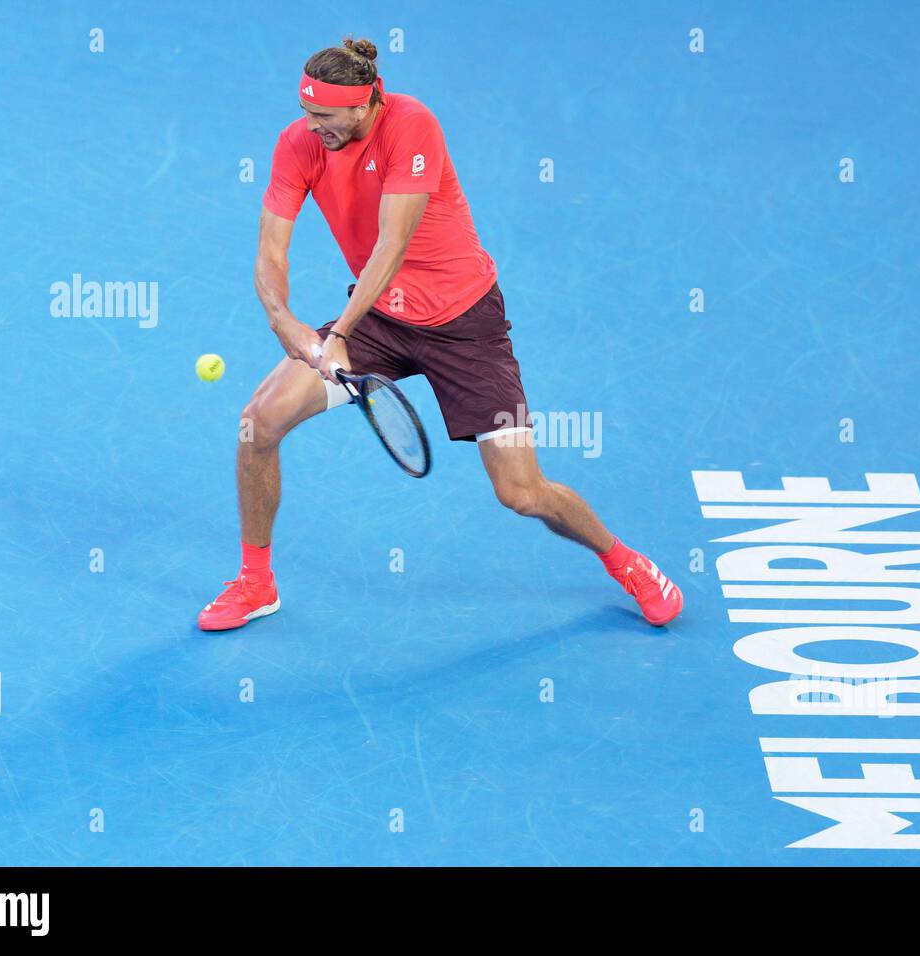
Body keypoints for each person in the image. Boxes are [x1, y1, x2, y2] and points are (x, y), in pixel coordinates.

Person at [198, 36, 683, 631]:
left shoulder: (411, 123)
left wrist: (337, 334)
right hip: (380, 320)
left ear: (364, 105)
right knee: (259, 423)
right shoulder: (300, 143)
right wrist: (284, 320)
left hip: (464, 325)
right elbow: (272, 248)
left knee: (522, 493)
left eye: (324, 115)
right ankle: (255, 582)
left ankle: (623, 559)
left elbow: (390, 246)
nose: (311, 125)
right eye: (305, 112)